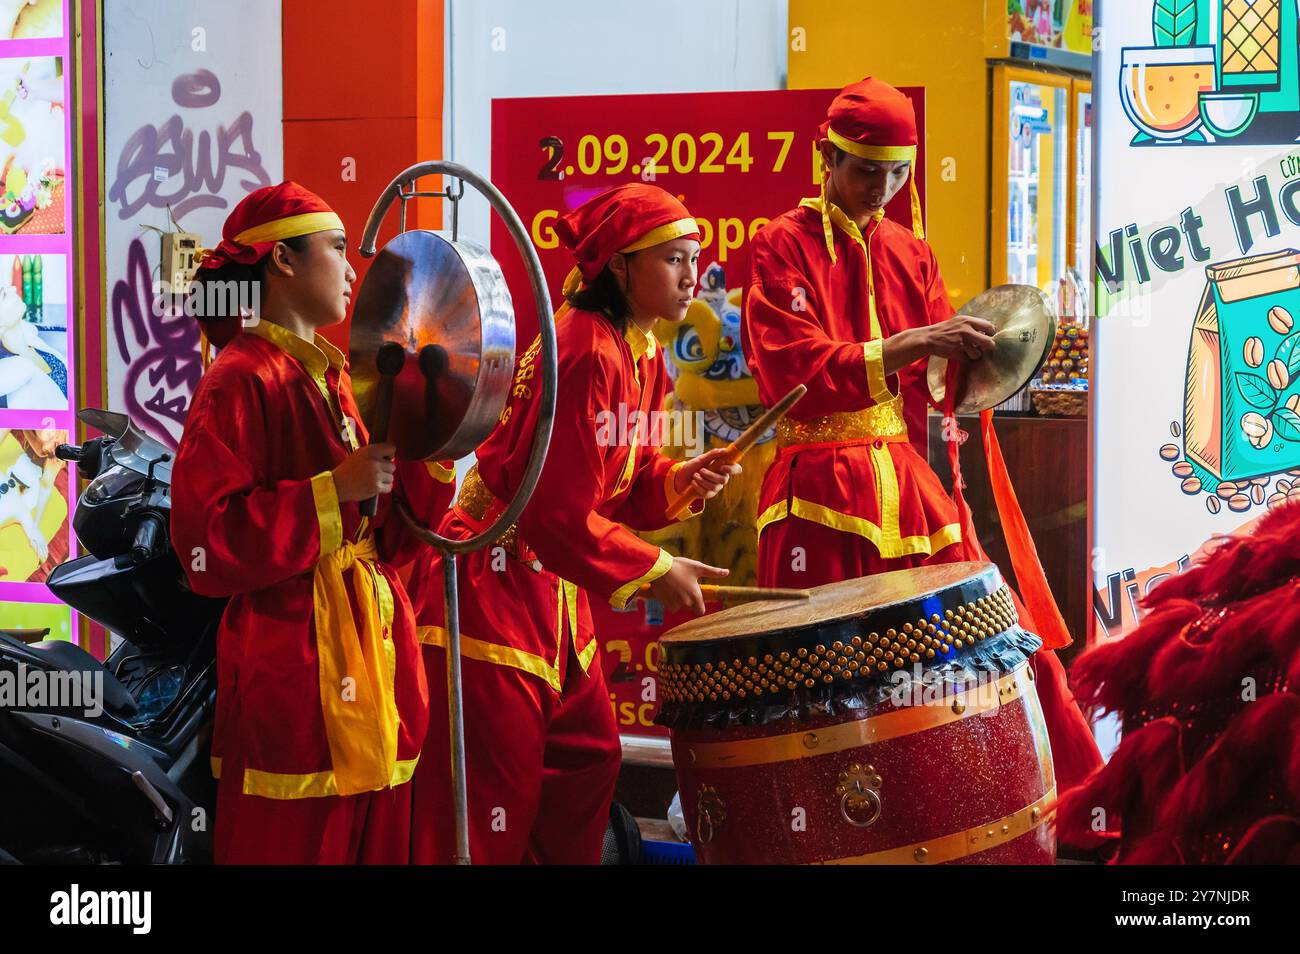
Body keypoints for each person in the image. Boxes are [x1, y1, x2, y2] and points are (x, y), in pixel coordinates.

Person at [744, 76, 1102, 794]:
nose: (883, 186)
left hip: (905, 481)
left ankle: (1046, 795)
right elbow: (796, 372)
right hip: (816, 484)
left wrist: (979, 356)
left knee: (984, 635)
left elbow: (938, 385)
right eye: (867, 169)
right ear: (827, 158)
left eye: (899, 172)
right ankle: (831, 815)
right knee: (824, 675)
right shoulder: (779, 246)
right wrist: (918, 340)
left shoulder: (914, 252)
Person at [410, 183, 739, 864]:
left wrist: (680, 481)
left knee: (586, 757)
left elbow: (613, 481)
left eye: (694, 259)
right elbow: (556, 515)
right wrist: (655, 569)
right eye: (673, 259)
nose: (691, 276)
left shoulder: (638, 348)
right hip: (492, 587)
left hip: (549, 593)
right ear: (619, 266)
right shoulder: (588, 347)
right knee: (492, 795)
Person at [170, 181, 449, 864]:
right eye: (333, 248)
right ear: (282, 263)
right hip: (292, 661)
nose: (353, 268)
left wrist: (433, 443)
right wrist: (333, 491)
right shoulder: (239, 379)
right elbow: (205, 541)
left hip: (370, 653)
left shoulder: (333, 378)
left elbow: (393, 537)